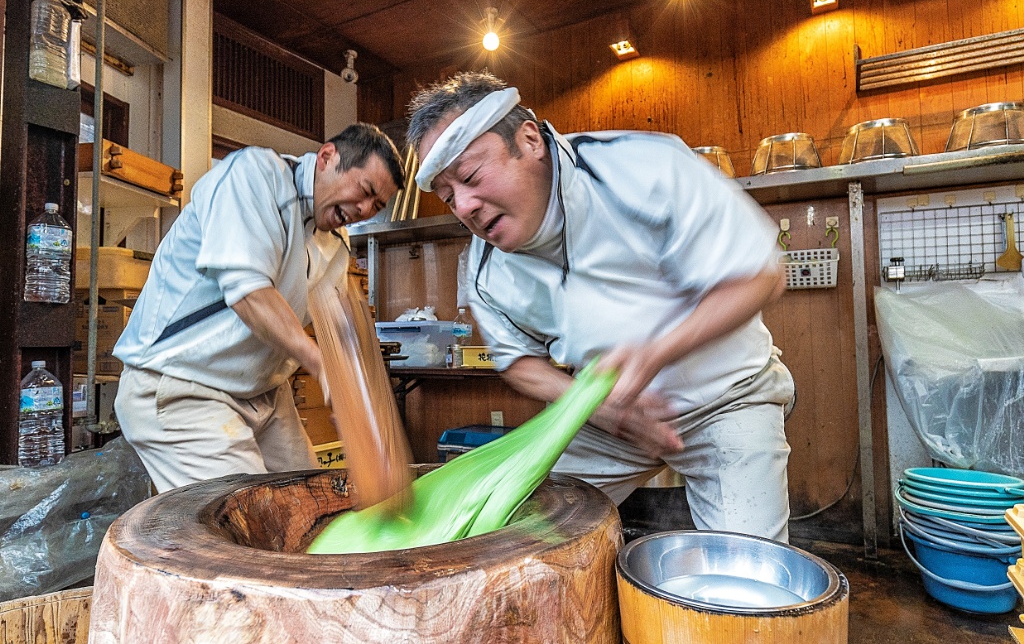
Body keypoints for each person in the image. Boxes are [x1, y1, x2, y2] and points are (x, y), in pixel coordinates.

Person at [406, 72, 795, 542]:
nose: (465, 206)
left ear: (529, 139)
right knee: (516, 536)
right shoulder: (485, 269)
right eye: (448, 197)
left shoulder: (642, 167)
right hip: (608, 417)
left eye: (469, 176)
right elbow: (518, 362)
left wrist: (654, 352)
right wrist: (598, 409)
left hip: (729, 396)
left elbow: (761, 275)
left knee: (750, 574)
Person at [112, 123, 404, 493]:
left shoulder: (334, 240)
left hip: (263, 393)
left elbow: (337, 323)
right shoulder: (254, 177)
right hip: (183, 385)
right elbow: (249, 295)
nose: (364, 209)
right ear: (327, 157)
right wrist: (323, 368)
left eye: (376, 206)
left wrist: (358, 403)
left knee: (313, 506)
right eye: (364, 191)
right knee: (247, 530)